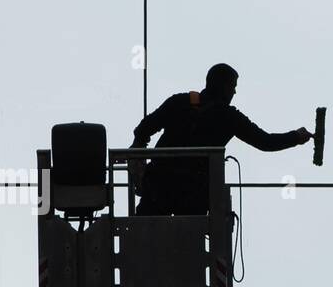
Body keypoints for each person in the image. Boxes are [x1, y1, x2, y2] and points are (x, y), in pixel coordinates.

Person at [129, 63, 313, 216]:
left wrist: (138, 154)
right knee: (189, 247)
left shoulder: (180, 102)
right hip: (192, 194)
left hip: (159, 187)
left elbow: (143, 129)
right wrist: (296, 137)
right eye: (233, 86)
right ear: (224, 87)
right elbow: (265, 142)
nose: (234, 92)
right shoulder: (228, 117)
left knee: (143, 240)